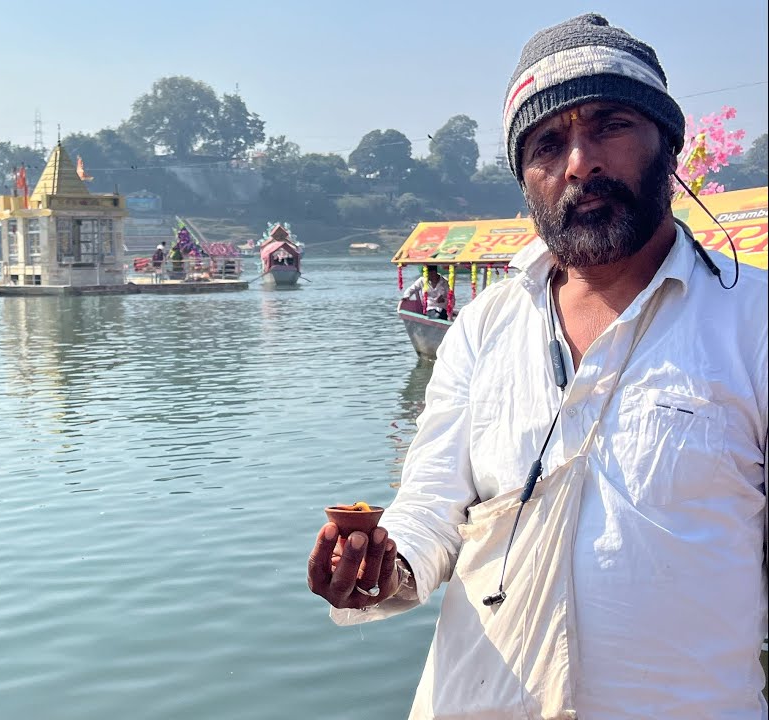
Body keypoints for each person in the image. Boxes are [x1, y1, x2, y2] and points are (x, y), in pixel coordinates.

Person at [308, 14, 767, 719]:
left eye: (610, 124)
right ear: (526, 180)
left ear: (668, 144)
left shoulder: (750, 321)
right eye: (548, 143)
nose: (580, 161)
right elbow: (433, 506)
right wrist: (380, 567)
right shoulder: (484, 327)